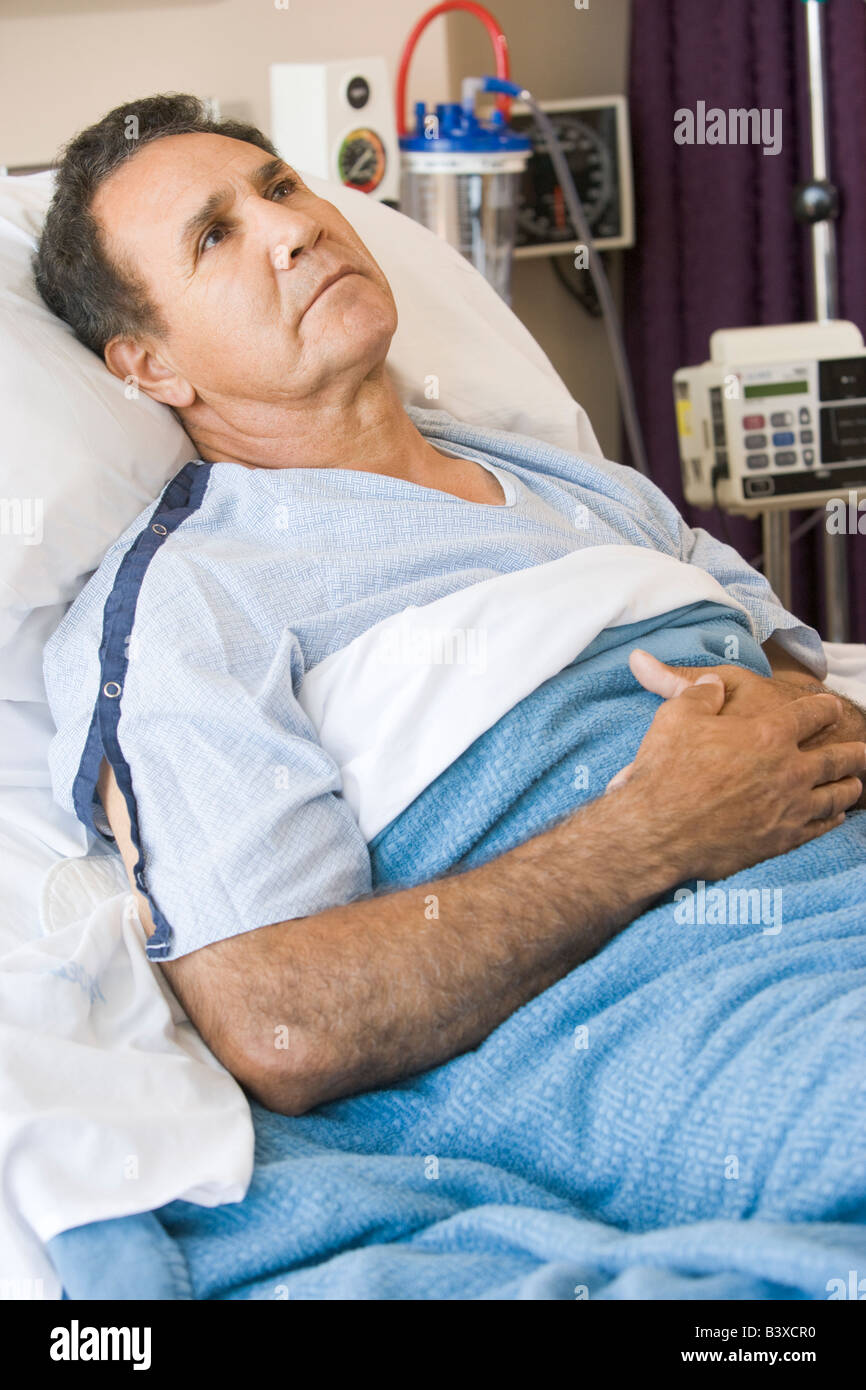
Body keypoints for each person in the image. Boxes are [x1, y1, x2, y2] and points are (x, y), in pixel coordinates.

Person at [36, 95, 866, 1116]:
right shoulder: (191, 600)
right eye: (216, 235)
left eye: (280, 187)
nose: (293, 227)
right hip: (688, 1010)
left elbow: (799, 689)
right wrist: (648, 833)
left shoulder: (575, 482)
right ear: (150, 365)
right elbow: (278, 1021)